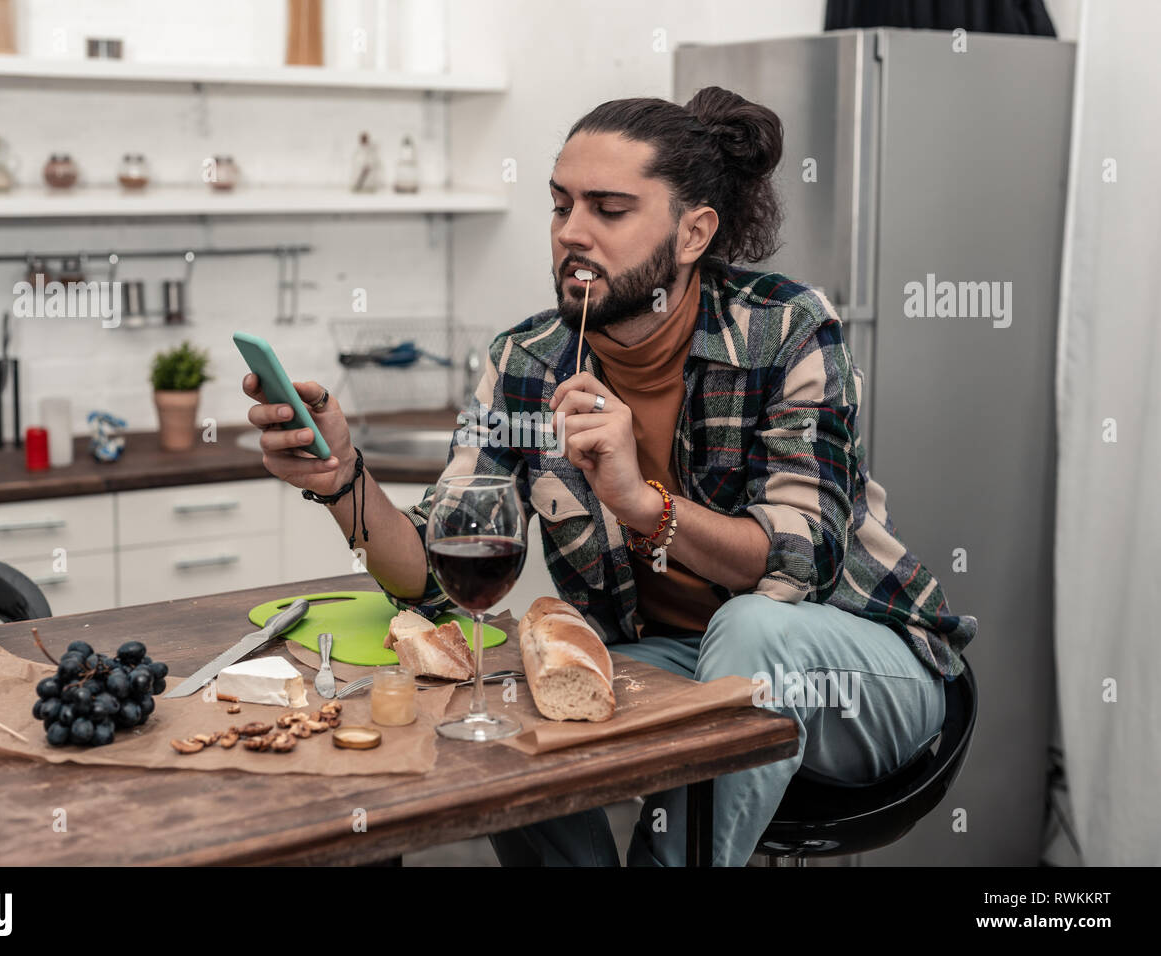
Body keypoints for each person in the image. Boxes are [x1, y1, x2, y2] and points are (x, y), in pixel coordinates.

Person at [242, 86, 978, 866]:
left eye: (609, 209)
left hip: (862, 670)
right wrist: (341, 478)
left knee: (751, 630)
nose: (572, 234)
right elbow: (432, 573)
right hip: (671, 662)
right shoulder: (526, 363)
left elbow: (800, 562)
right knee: (512, 694)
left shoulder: (787, 329)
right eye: (561, 207)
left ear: (694, 232)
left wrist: (638, 502)